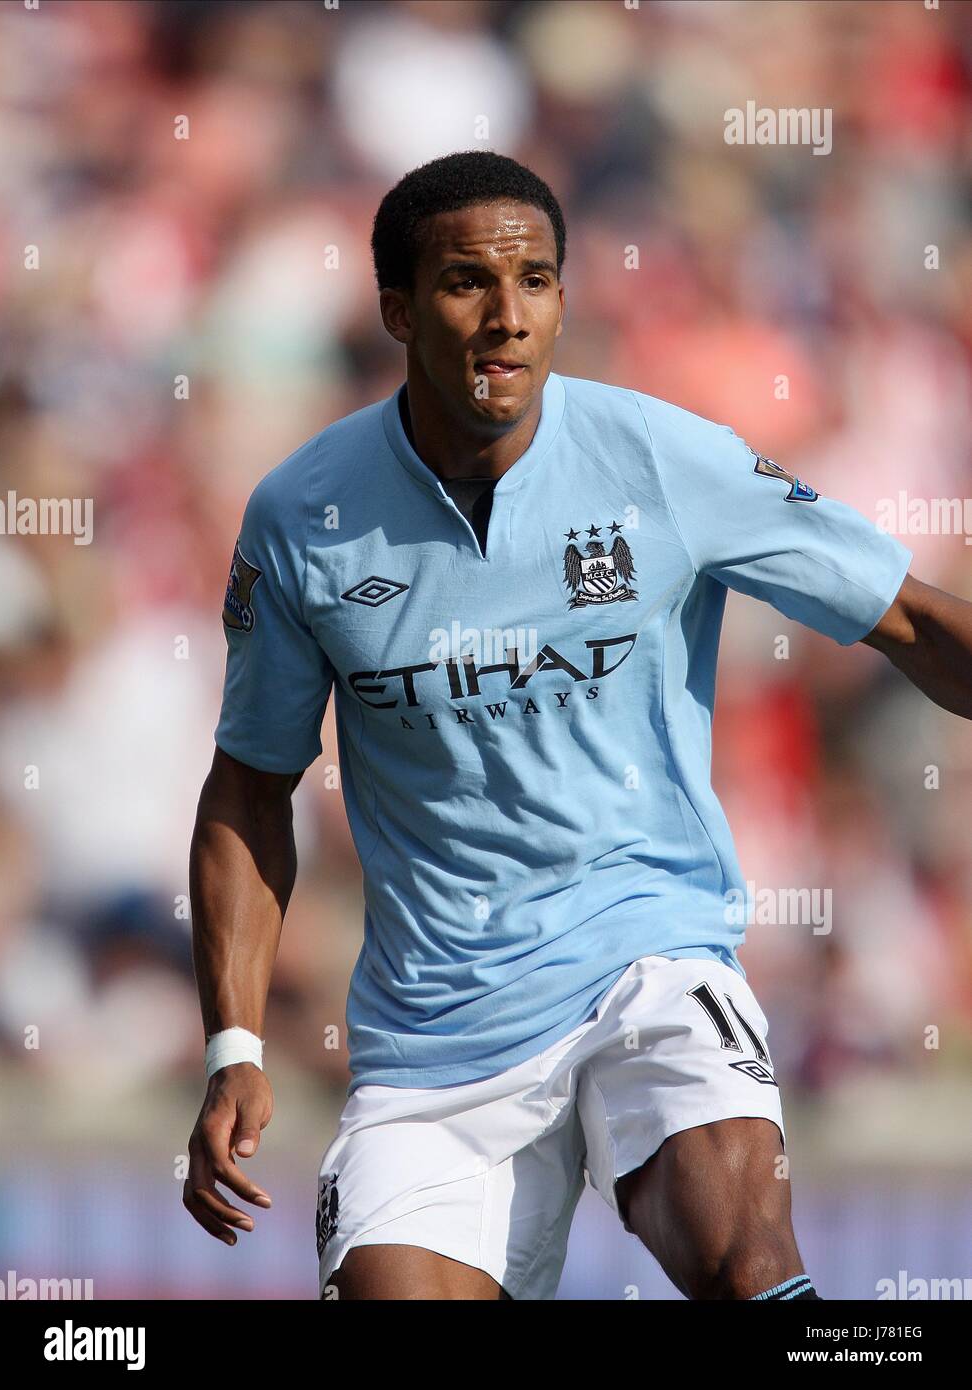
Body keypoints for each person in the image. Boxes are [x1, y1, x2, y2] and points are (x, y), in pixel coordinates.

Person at [184, 151, 972, 1301]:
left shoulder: (662, 458)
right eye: (466, 283)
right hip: (434, 1036)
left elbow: (906, 616)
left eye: (538, 281)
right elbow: (250, 786)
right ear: (398, 310)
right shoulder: (305, 515)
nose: (508, 318)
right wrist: (234, 1045)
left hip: (645, 957)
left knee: (746, 1264)